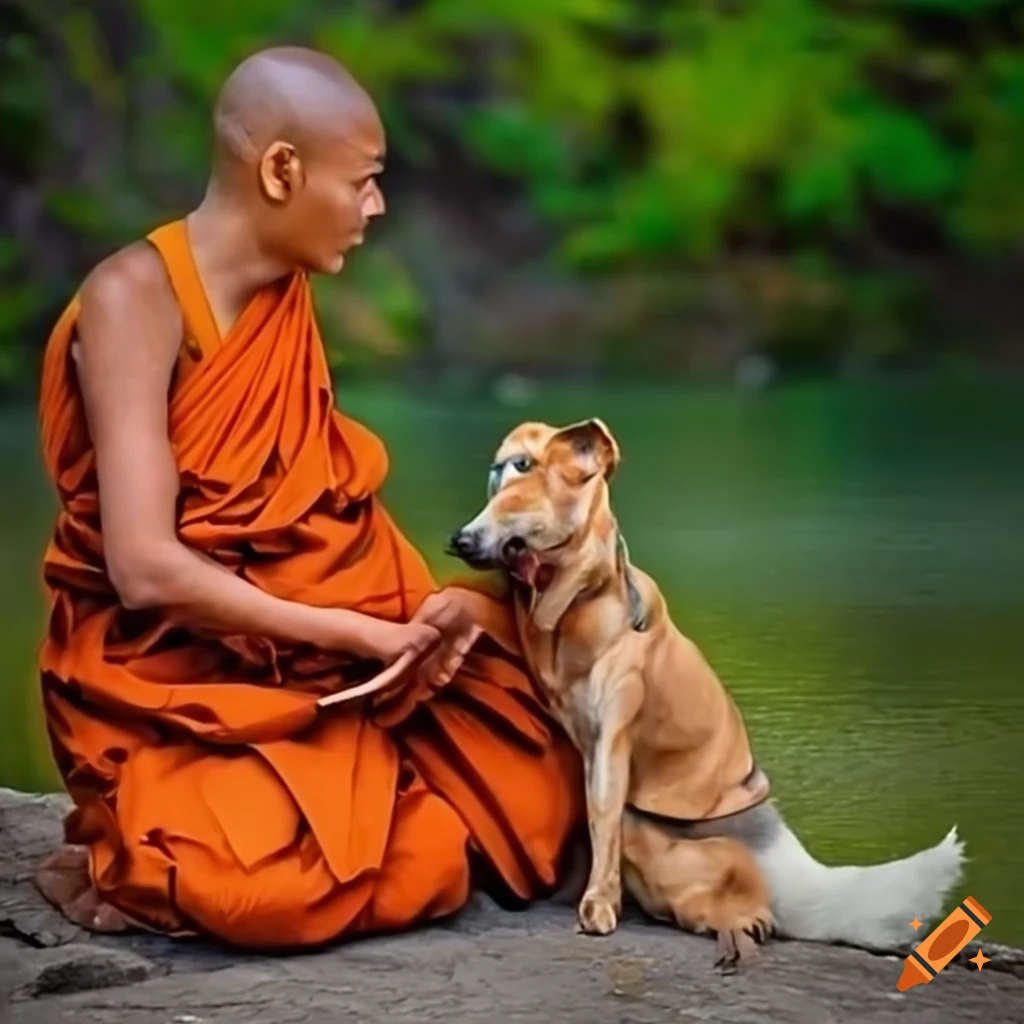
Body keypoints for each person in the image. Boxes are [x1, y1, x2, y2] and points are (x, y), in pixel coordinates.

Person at [34, 46, 582, 947]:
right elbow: (142, 568)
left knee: (551, 786)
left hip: (319, 657)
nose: (376, 207)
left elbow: (314, 522)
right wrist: (359, 634)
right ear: (281, 170)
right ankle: (122, 847)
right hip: (174, 681)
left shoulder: (279, 293)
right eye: (363, 181)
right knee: (276, 894)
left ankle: (363, 783)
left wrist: (426, 619)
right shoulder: (134, 298)